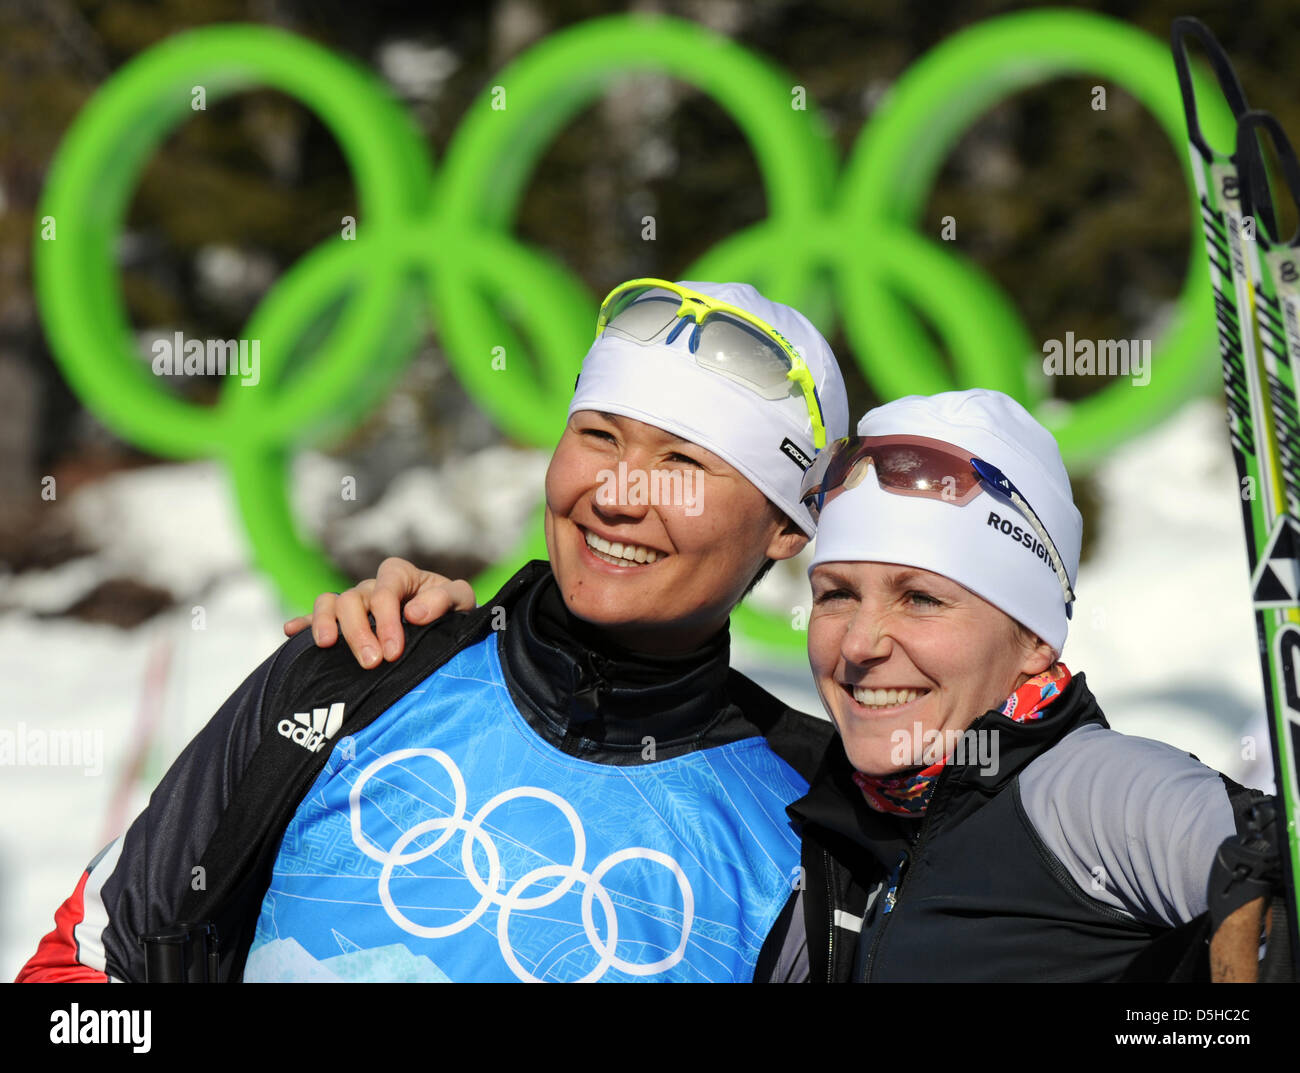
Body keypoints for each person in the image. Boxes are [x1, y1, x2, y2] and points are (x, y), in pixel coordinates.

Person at [18, 279, 848, 983]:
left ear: (784, 526)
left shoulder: (817, 832)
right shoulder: (364, 666)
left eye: (682, 464)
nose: (618, 495)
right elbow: (93, 962)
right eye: (598, 436)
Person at [313, 389, 1274, 982]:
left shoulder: (1079, 787)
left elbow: (1257, 862)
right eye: (836, 594)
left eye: (922, 600)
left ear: (1031, 640)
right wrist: (464, 633)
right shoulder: (835, 823)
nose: (861, 643)